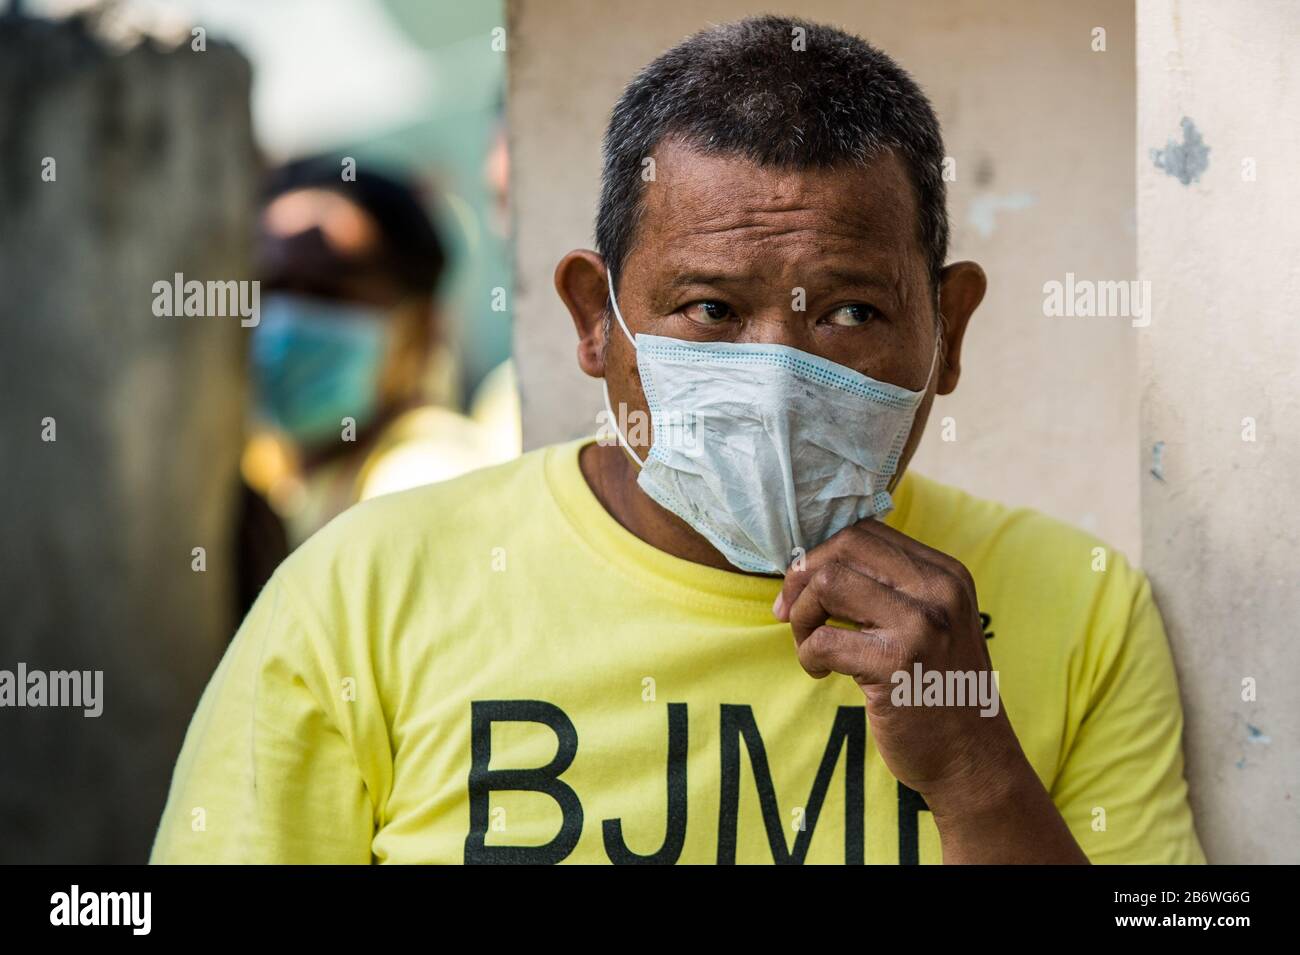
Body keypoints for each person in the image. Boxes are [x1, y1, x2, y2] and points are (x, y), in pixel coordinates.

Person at [152, 16, 1204, 864]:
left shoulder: (1080, 609)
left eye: (848, 313)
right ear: (593, 320)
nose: (777, 376)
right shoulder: (360, 598)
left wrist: (977, 773)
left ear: (950, 329)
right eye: (707, 309)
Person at [242, 159, 503, 548]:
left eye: (325, 293)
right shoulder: (271, 477)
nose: (284, 320)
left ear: (420, 329)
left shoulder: (425, 485)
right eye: (270, 290)